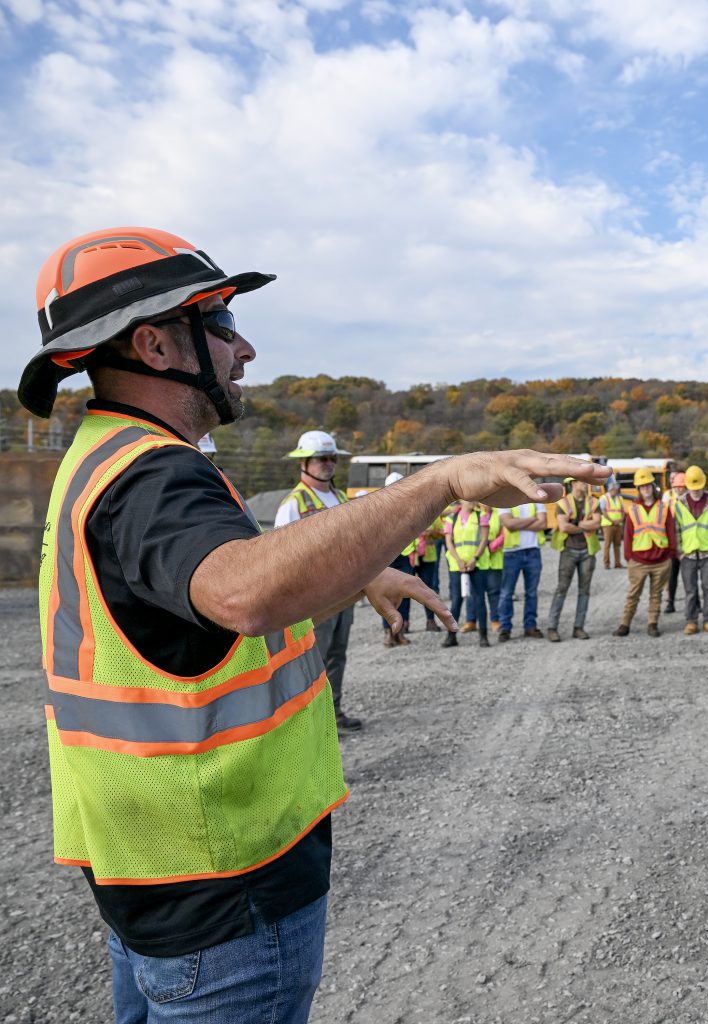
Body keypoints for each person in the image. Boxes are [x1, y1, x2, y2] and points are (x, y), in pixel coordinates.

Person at [22, 225, 603, 1023]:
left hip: (156, 873)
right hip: (225, 886)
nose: (244, 347)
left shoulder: (107, 456)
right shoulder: (153, 475)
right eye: (220, 321)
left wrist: (367, 571)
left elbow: (196, 611)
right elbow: (242, 593)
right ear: (155, 344)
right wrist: (439, 484)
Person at [277, 430, 362, 728]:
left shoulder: (340, 497)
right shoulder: (294, 503)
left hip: (345, 595)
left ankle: (334, 713)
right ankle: (310, 720)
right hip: (313, 599)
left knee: (338, 654)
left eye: (332, 458)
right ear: (304, 462)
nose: (328, 463)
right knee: (313, 658)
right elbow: (282, 556)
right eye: (321, 458)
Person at [616, 469, 676, 637]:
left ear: (653, 486)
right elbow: (627, 535)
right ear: (639, 489)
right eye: (642, 487)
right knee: (633, 594)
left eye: (648, 485)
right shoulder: (633, 509)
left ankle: (652, 624)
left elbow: (670, 531)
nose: (646, 489)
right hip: (638, 560)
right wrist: (628, 556)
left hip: (661, 560)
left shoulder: (664, 508)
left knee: (655, 595)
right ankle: (624, 624)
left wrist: (671, 553)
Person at [546, 477, 600, 642]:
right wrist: (584, 525)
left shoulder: (593, 502)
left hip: (587, 551)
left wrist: (575, 525)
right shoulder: (564, 503)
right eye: (581, 481)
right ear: (573, 484)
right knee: (562, 589)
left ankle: (579, 627)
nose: (584, 483)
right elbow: (563, 527)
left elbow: (597, 523)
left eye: (585, 481)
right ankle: (552, 628)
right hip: (569, 551)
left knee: (584, 591)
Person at [674, 465, 708, 635]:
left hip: (707, 552)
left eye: (698, 487)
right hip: (688, 553)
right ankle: (692, 621)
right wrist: (680, 552)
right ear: (687, 486)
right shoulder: (679, 504)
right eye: (692, 487)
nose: (696, 491)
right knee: (690, 590)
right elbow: (677, 529)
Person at [442, 498, 492, 647]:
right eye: (468, 499)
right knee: (456, 601)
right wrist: (458, 560)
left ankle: (483, 636)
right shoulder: (452, 518)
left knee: (479, 600)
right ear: (460, 501)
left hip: (477, 564)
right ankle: (451, 636)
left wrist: (474, 559)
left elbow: (484, 539)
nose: (472, 501)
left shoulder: (481, 516)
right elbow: (449, 541)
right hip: (458, 566)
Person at [497, 501, 545, 640]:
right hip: (512, 552)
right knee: (507, 593)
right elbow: (509, 525)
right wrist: (532, 519)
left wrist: (517, 522)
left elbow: (542, 524)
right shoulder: (505, 497)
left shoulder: (536, 499)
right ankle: (505, 628)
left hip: (533, 551)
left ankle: (530, 626)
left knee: (531, 592)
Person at [379, 472, 416, 647]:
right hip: (386, 557)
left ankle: (399, 632)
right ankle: (388, 633)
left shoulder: (410, 507)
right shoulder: (379, 509)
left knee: (403, 594)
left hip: (404, 555)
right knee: (385, 596)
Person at [664, 471, 688, 613]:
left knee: (689, 575)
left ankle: (694, 602)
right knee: (672, 574)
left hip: (687, 540)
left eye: (682, 486)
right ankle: (670, 602)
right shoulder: (667, 496)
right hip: (672, 539)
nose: (680, 489)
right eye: (678, 486)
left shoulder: (690, 498)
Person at [599, 476, 626, 570]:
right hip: (608, 525)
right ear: (611, 489)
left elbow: (623, 511)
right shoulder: (604, 498)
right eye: (615, 489)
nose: (617, 491)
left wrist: (621, 519)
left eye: (617, 489)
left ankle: (618, 563)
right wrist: (612, 520)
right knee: (607, 545)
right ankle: (606, 563)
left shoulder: (620, 498)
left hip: (618, 525)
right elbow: (603, 511)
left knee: (617, 545)